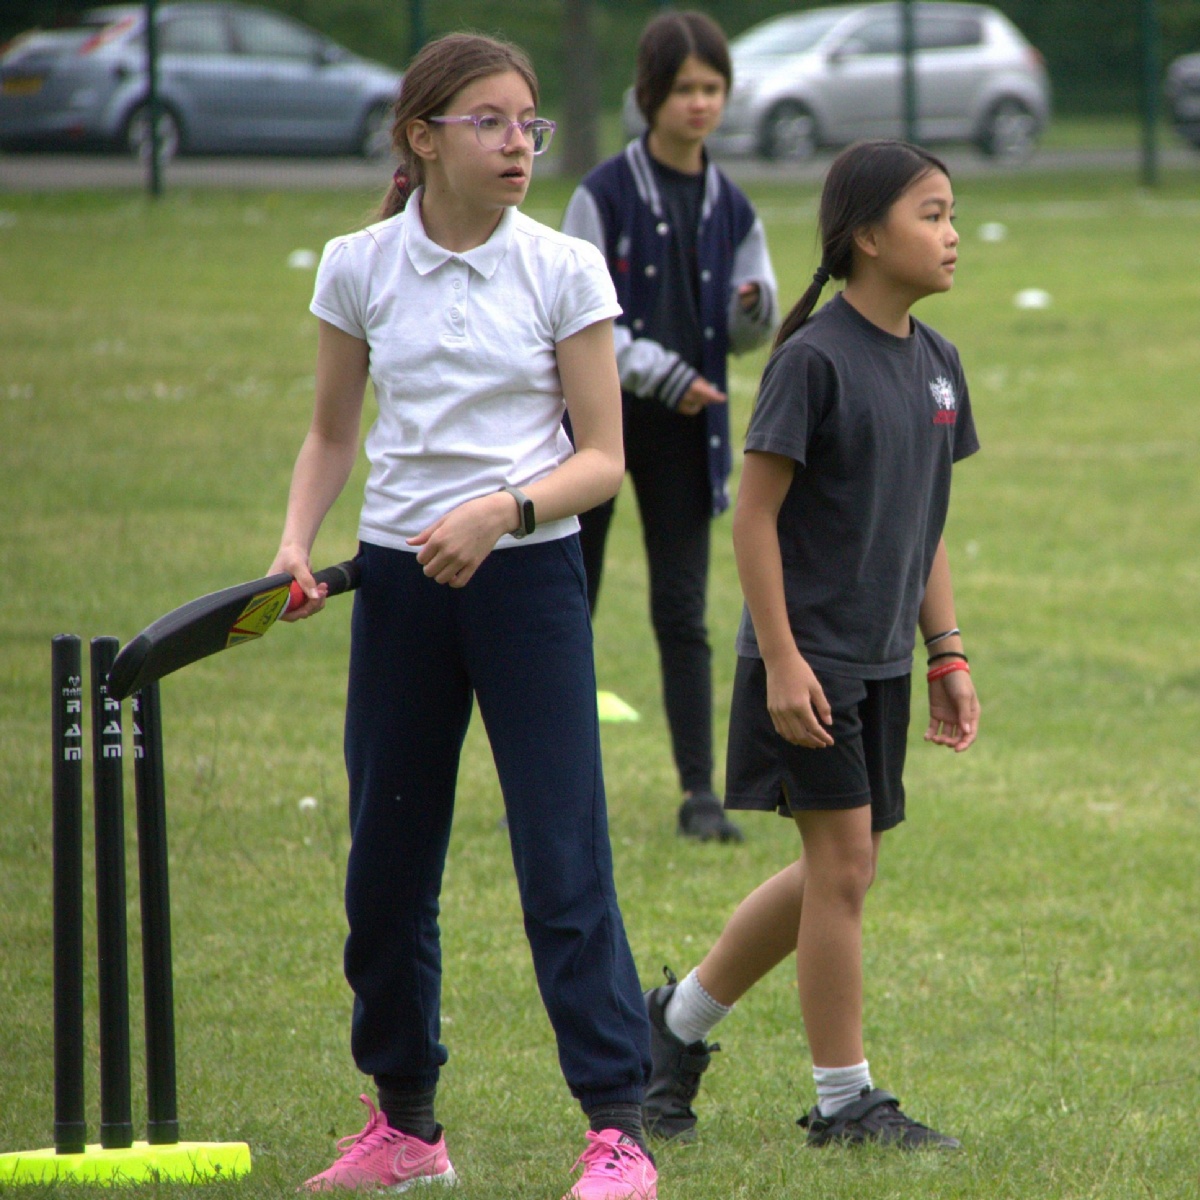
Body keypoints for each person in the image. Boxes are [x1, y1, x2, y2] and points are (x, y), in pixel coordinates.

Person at [270, 32, 657, 1200]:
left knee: (561, 861)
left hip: (529, 587)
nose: (517, 145)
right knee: (384, 873)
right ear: (422, 138)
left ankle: (618, 1132)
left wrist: (504, 509)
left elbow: (604, 460)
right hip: (396, 590)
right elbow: (334, 431)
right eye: (489, 122)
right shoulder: (356, 264)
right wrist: (295, 540)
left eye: (529, 124)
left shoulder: (563, 268)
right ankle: (407, 1129)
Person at [640, 140, 981, 1151]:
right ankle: (845, 1104)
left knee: (847, 862)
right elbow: (752, 520)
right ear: (867, 237)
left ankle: (675, 1024)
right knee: (841, 869)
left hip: (876, 659)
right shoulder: (812, 360)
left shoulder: (936, 362)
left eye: (953, 212)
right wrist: (784, 660)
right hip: (810, 657)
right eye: (932, 214)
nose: (953, 233)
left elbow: (925, 522)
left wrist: (947, 653)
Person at [561, 11, 777, 844]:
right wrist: (663, 373)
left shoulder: (732, 203)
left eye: (713, 88)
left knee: (683, 613)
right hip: (593, 434)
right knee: (566, 606)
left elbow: (752, 321)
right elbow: (575, 322)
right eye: (685, 88)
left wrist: (749, 313)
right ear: (649, 96)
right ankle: (556, 788)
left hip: (691, 438)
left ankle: (699, 795)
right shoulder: (604, 194)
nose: (700, 104)